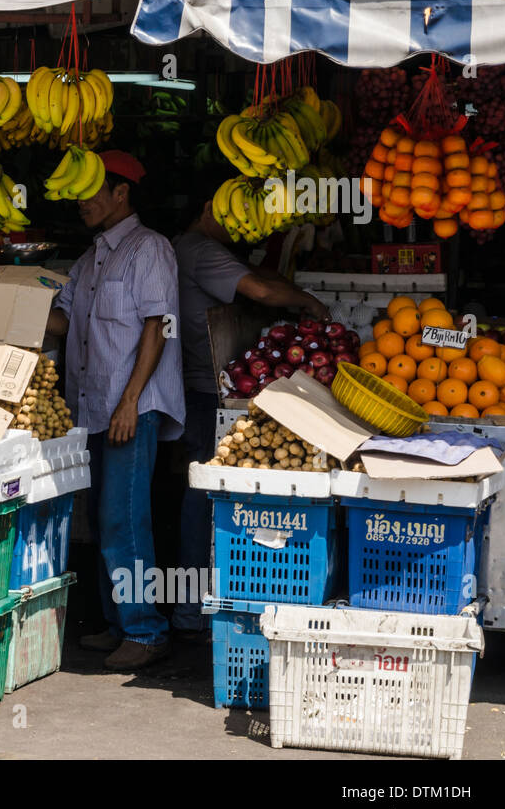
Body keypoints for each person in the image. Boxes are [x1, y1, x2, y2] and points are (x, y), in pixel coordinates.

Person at [46, 151, 185, 671]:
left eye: (89, 190)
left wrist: (130, 401)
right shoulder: (90, 258)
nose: (79, 202)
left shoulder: (150, 249)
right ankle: (115, 622)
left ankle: (146, 631)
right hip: (93, 407)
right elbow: (61, 322)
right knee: (102, 519)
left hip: (133, 407)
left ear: (121, 191)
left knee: (124, 519)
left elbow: (159, 325)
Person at [171, 198, 329, 634]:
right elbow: (259, 290)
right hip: (207, 390)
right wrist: (308, 301)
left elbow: (261, 277)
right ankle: (189, 610)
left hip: (211, 385)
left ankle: (206, 604)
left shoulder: (200, 248)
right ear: (207, 211)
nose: (242, 226)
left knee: (208, 489)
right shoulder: (200, 250)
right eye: (233, 216)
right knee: (205, 491)